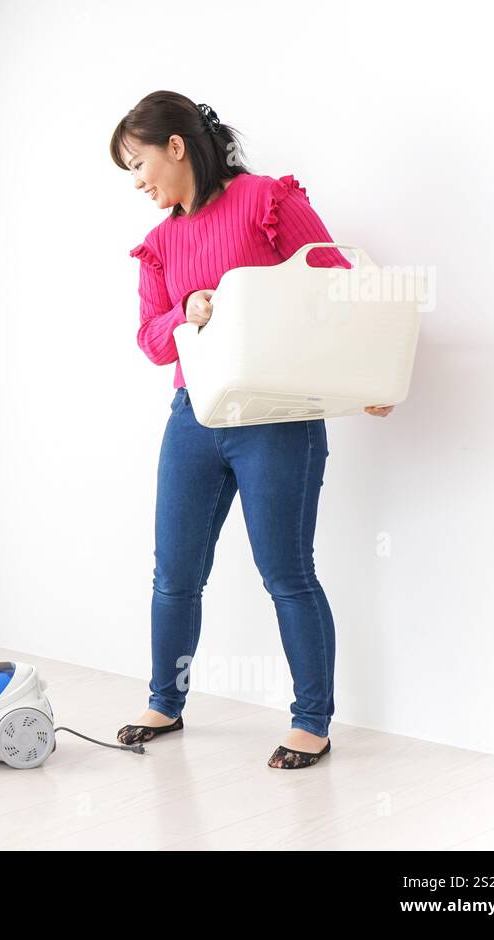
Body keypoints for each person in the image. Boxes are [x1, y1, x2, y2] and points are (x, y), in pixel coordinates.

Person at [109, 91, 394, 769]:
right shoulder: (159, 244)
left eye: (139, 161)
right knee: (174, 574)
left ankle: (312, 721)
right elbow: (153, 342)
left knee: (286, 573)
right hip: (196, 416)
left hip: (279, 417)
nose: (138, 180)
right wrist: (187, 305)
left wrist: (371, 374)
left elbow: (337, 286)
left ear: (176, 144)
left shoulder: (266, 199)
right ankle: (165, 702)